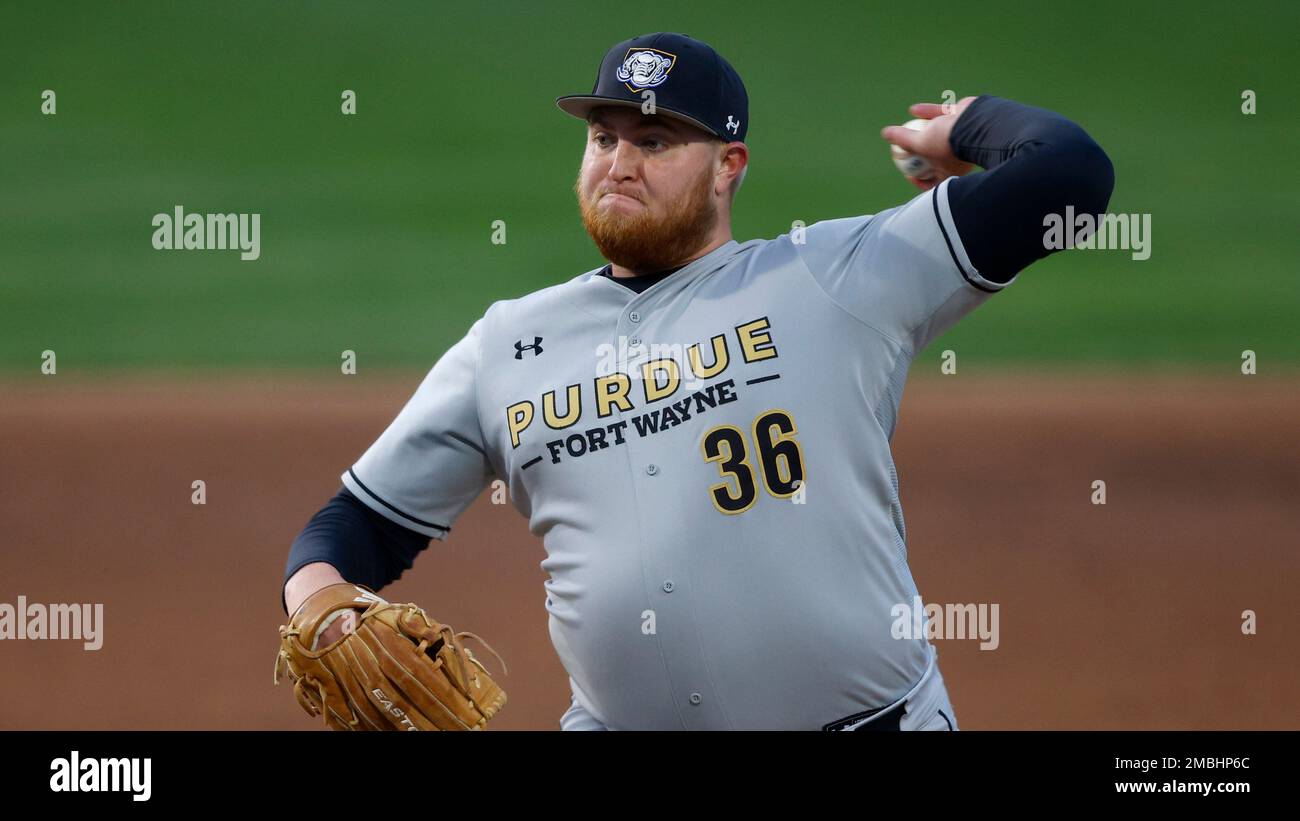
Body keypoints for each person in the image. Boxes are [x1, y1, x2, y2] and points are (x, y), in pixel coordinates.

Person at [281, 31, 1114, 730]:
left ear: (728, 166)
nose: (619, 163)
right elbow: (353, 526)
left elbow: (1069, 176)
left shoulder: (835, 275)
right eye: (604, 138)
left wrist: (968, 128)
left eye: (654, 143)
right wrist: (323, 600)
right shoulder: (509, 344)